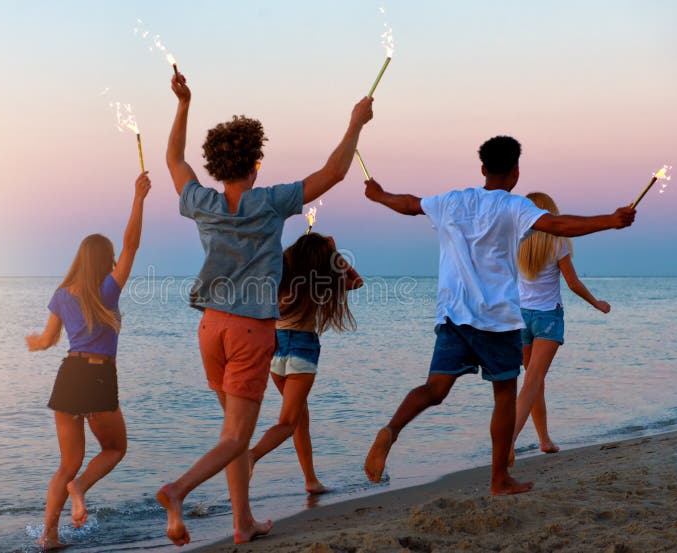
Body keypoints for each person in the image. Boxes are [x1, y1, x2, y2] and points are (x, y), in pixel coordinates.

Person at [156, 72, 373, 546]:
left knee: (232, 431)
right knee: (236, 438)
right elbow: (334, 173)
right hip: (251, 332)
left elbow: (173, 159)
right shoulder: (270, 203)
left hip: (209, 328)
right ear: (255, 163)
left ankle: (243, 523)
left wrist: (183, 104)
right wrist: (357, 122)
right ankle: (178, 490)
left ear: (215, 165)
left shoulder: (201, 201)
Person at [361, 136, 635, 495]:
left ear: (482, 169)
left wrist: (379, 195)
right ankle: (499, 479)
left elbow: (411, 204)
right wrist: (611, 220)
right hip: (497, 319)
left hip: (453, 317)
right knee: (505, 394)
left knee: (434, 389)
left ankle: (391, 431)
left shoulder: (452, 201)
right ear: (516, 172)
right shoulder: (514, 207)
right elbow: (561, 225)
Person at [26, 172, 151, 549]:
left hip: (68, 375)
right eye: (111, 257)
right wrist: (139, 198)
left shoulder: (63, 293)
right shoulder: (107, 292)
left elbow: (48, 340)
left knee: (66, 462)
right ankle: (80, 487)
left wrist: (34, 343)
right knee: (114, 449)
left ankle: (49, 537)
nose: (117, 259)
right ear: (104, 261)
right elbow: (132, 246)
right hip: (97, 377)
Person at [248, 233, 363, 494]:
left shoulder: (279, 282)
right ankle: (250, 456)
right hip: (302, 349)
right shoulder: (319, 282)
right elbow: (356, 281)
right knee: (288, 421)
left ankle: (311, 480)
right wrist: (335, 254)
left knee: (299, 418)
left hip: (276, 352)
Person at [509, 191, 611, 465]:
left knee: (534, 381)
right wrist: (596, 303)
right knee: (533, 381)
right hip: (547, 318)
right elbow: (573, 283)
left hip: (520, 317)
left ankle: (544, 440)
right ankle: (509, 443)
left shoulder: (515, 240)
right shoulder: (557, 242)